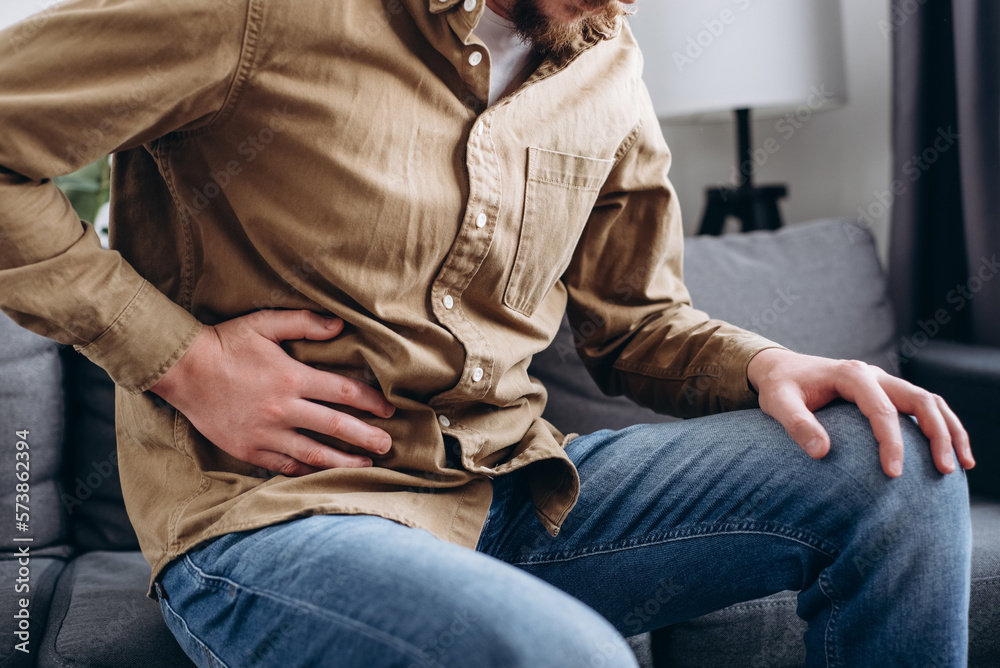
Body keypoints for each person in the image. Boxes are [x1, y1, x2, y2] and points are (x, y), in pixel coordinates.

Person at [0, 0, 974, 665]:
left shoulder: (605, 55)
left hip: (512, 493)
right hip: (279, 518)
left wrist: (766, 362)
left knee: (889, 458)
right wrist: (182, 361)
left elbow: (635, 321)